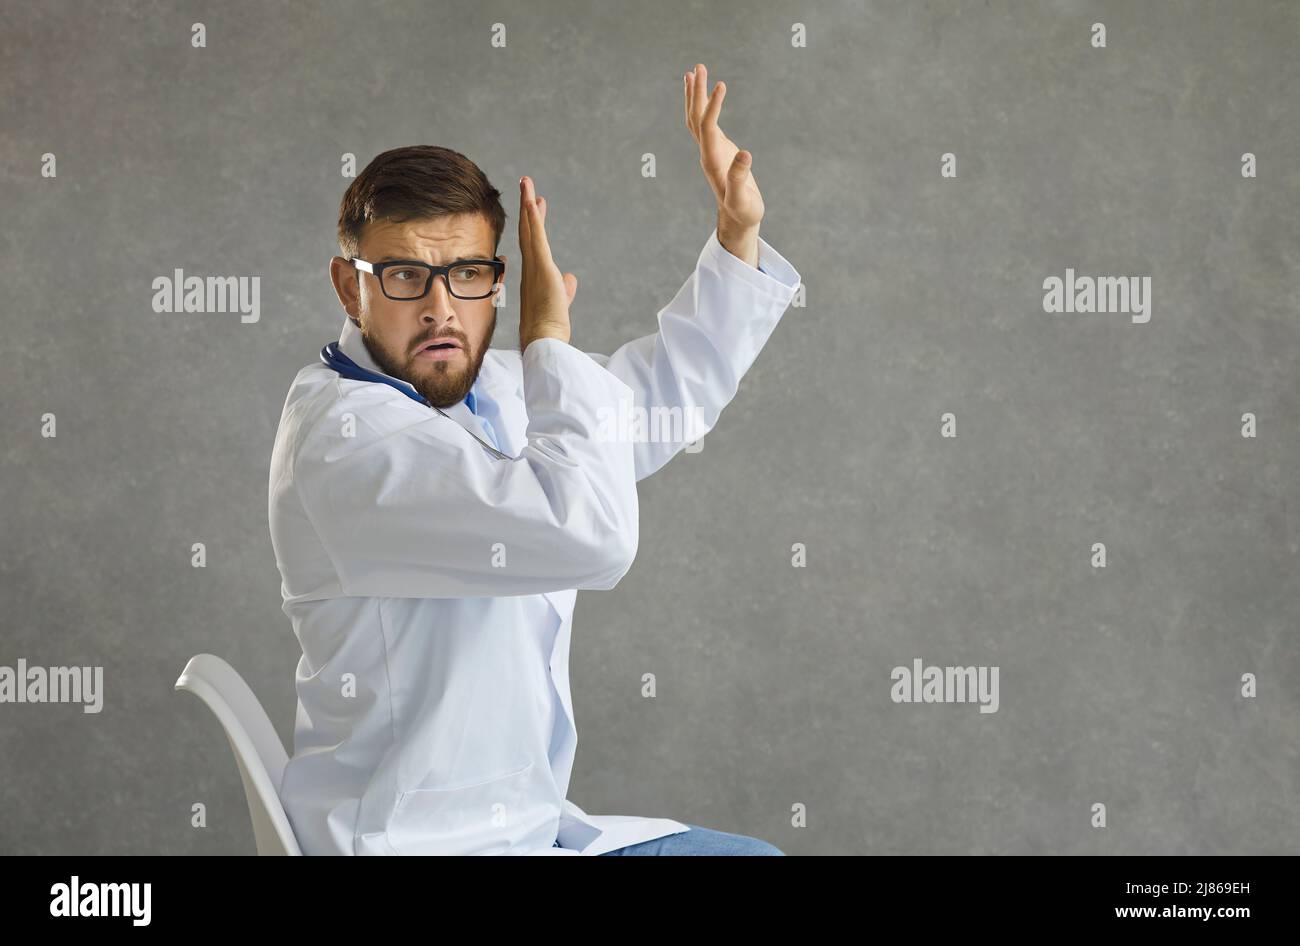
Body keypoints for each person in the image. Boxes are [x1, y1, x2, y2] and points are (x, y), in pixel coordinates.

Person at [268, 63, 799, 855]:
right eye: (408, 276)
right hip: (416, 842)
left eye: (468, 274)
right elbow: (589, 533)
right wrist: (549, 337)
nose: (442, 308)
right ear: (351, 288)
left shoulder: (489, 392)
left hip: (523, 829)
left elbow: (654, 408)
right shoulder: (348, 442)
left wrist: (735, 236)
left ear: (495, 281)